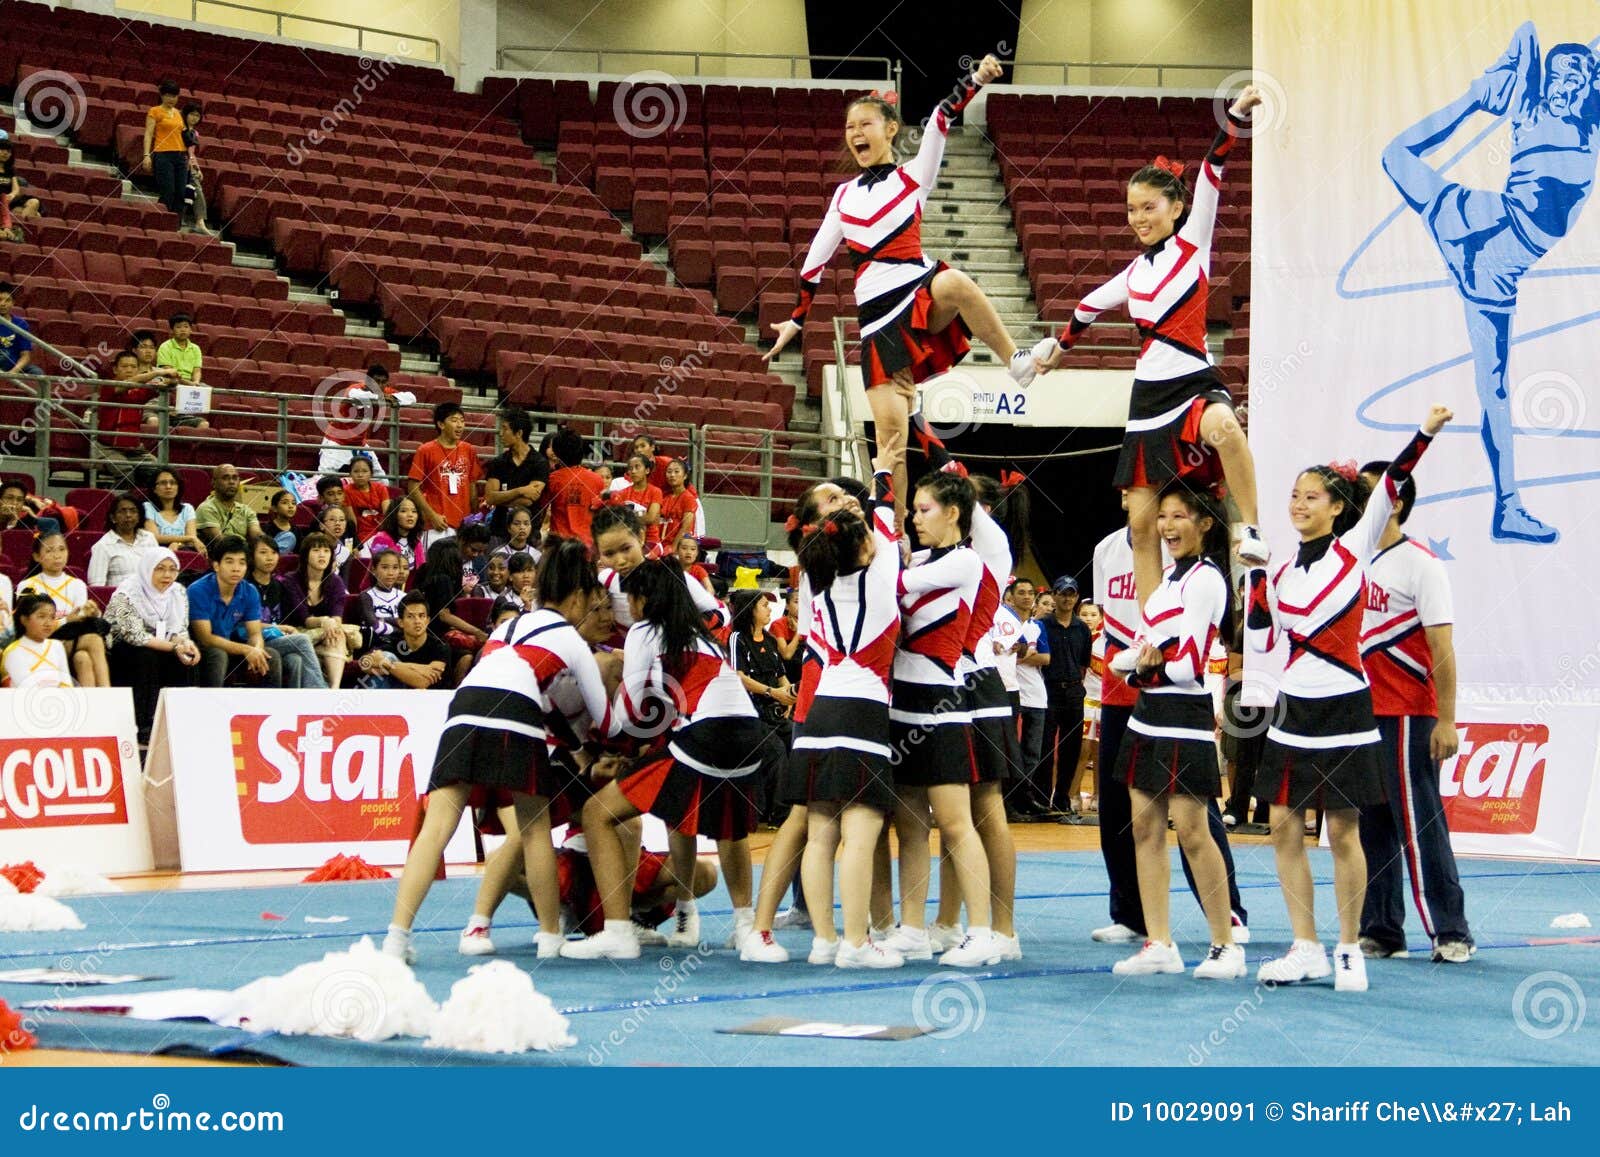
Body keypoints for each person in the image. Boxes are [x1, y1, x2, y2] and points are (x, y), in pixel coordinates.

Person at [765, 56, 1050, 527]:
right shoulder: (843, 196)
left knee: (955, 282)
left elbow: (940, 119)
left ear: (891, 128)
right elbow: (815, 260)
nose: (855, 132)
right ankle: (893, 535)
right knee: (891, 443)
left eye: (866, 123)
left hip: (918, 291)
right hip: (877, 321)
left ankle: (1015, 360)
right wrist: (797, 319)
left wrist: (975, 80)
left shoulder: (914, 176)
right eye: (849, 126)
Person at [1245, 403, 1452, 992]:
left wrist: (1426, 431)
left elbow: (1391, 484)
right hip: (1293, 708)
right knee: (1283, 827)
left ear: (1338, 507)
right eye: (1294, 495)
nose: (1298, 504)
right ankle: (1304, 945)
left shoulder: (1355, 549)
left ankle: (1347, 951)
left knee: (1342, 832)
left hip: (1345, 705)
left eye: (1312, 496)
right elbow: (1261, 632)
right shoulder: (1281, 570)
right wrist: (1255, 575)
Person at [1037, 85, 1270, 569]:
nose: (1138, 218)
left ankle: (1248, 528)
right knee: (1141, 525)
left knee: (1225, 426)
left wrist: (1234, 116)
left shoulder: (1193, 244)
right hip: (1148, 394)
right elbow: (1086, 307)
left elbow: (1212, 172)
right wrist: (1060, 348)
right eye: (1131, 209)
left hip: (1193, 382)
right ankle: (1152, 627)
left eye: (1149, 208)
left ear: (1176, 208)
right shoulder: (1133, 272)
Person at [1381, 23, 1596, 543]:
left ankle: (1507, 510)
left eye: (1581, 78)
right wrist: (1482, 97)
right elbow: (1528, 36)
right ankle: (1472, 97)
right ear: (1547, 84)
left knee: (1493, 388)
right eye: (1562, 78)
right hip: (1483, 228)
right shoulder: (1532, 110)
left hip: (1491, 256)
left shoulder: (1589, 118)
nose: (1570, 87)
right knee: (1395, 155)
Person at [384, 538, 615, 965]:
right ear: (579, 596)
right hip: (515, 714)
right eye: (593, 603)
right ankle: (549, 937)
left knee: (435, 830)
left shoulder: (507, 626)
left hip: (463, 708)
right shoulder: (571, 640)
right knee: (533, 829)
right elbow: (603, 720)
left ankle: (396, 940)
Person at [561, 559, 765, 960]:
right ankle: (745, 927)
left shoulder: (644, 631)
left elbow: (630, 713)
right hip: (748, 734)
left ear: (643, 599)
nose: (624, 607)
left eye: (628, 597)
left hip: (704, 735)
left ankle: (618, 931)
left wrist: (597, 732)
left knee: (598, 813)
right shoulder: (701, 632)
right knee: (727, 827)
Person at [746, 469, 906, 968]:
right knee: (860, 832)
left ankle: (824, 940)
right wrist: (883, 474)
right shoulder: (881, 572)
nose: (850, 502)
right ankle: (856, 943)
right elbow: (885, 523)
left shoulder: (814, 578)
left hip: (819, 708)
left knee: (820, 833)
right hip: (861, 708)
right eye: (837, 499)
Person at [1091, 502, 1249, 946]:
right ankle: (1156, 942)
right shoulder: (1165, 580)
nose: (1167, 526)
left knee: (1194, 830)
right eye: (1164, 517)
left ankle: (1225, 938)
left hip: (1183, 716)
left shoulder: (1205, 578)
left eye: (1179, 516)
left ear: (1204, 523)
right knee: (1144, 828)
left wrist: (1140, 670)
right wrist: (1136, 664)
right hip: (1148, 714)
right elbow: (1134, 650)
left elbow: (1188, 667)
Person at [876, 469, 1003, 967]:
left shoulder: (966, 563)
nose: (915, 519)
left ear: (954, 514)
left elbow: (893, 583)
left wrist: (884, 515)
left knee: (955, 822)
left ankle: (981, 931)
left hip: (940, 705)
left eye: (924, 510)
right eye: (912, 511)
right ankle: (911, 926)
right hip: (901, 701)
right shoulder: (923, 558)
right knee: (908, 824)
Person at [1355, 462, 1473, 963]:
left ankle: (1450, 930)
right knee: (1372, 826)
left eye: (1365, 494)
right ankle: (1382, 929)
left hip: (1406, 713)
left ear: (1395, 502)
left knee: (1420, 824)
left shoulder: (1422, 565)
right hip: (1360, 714)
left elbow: (1442, 646)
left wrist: (1446, 719)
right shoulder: (1350, 562)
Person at [105, 548, 199, 741]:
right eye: (160, 569)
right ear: (148, 568)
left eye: (173, 569)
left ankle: (177, 721)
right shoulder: (127, 592)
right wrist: (174, 648)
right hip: (123, 648)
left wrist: (187, 645)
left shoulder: (178, 592)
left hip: (161, 645)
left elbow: (179, 630)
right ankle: (144, 725)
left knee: (185, 659)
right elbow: (135, 636)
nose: (167, 575)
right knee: (145, 656)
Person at [187, 534, 281, 687]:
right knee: (218, 655)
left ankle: (267, 708)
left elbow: (255, 633)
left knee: (271, 656)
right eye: (229, 562)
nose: (236, 568)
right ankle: (211, 707)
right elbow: (205, 638)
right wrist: (246, 649)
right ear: (216, 565)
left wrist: (256, 649)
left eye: (242, 563)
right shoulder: (198, 590)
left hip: (232, 645)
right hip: (200, 649)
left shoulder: (249, 591)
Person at [19, 532, 110, 686]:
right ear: (36, 556)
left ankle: (93, 704)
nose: (57, 555)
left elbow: (80, 621)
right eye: (49, 550)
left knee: (83, 658)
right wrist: (66, 620)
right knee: (94, 640)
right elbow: (30, 628)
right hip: (42, 642)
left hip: (72, 639)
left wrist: (93, 614)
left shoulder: (77, 584)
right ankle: (107, 692)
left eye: (62, 549)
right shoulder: (27, 586)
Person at [1039, 575, 1091, 818]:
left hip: (1073, 691)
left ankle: (1062, 799)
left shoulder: (1082, 628)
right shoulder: (1042, 625)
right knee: (1045, 747)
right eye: (1063, 593)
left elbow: (1084, 662)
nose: (1067, 598)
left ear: (1077, 597)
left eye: (1072, 594)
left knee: (1071, 748)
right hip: (1048, 690)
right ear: (1054, 595)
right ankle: (1040, 798)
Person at [244, 538, 327, 689]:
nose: (269, 557)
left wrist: (285, 629)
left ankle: (293, 704)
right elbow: (242, 623)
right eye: (263, 553)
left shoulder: (279, 586)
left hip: (275, 639)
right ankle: (320, 691)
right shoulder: (245, 585)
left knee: (296, 660)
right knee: (302, 640)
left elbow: (289, 618)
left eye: (274, 553)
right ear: (251, 556)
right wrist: (281, 628)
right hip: (251, 639)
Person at [278, 531, 354, 688]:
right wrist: (324, 621)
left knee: (337, 632)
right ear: (305, 555)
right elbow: (303, 618)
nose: (322, 555)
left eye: (326, 551)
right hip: (296, 632)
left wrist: (331, 623)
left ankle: (334, 689)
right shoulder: (291, 580)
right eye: (316, 550)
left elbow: (337, 615)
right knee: (331, 629)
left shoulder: (335, 581)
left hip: (324, 634)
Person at [1006, 578, 1054, 818]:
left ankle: (1024, 797)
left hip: (1036, 695)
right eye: (1021, 592)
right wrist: (1027, 653)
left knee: (1032, 752)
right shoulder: (1003, 623)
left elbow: (1045, 658)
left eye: (1030, 592)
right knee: (1010, 751)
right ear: (1010, 597)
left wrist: (1019, 654)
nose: (1026, 597)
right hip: (1010, 693)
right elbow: (1004, 654)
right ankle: (1008, 802)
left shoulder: (1037, 626)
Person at [315, 365, 412, 476]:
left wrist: (391, 398)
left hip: (360, 444)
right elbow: (356, 395)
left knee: (381, 479)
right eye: (376, 382)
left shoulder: (386, 392)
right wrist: (381, 398)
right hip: (336, 442)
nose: (379, 385)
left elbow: (411, 397)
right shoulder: (355, 389)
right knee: (324, 479)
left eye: (383, 382)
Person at [416, 535, 487, 684]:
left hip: (421, 631)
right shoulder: (444, 579)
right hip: (436, 635)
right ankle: (456, 689)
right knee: (467, 655)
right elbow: (444, 615)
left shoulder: (423, 571)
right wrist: (477, 632)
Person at [407, 402, 481, 542]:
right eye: (454, 420)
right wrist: (431, 515)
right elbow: (413, 487)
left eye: (462, 421)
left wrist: (474, 516)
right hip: (437, 524)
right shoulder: (425, 450)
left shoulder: (469, 450)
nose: (459, 425)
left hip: (464, 525)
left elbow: (472, 486)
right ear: (441, 424)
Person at [357, 592, 448, 690]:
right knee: (386, 657)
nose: (417, 621)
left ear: (427, 620)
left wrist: (389, 665)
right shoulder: (394, 642)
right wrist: (419, 668)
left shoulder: (440, 646)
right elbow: (364, 663)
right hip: (396, 698)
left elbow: (423, 682)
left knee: (387, 659)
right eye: (410, 616)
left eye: (421, 616)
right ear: (400, 622)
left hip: (432, 700)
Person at [482, 407, 547, 540]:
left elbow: (528, 500)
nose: (500, 433)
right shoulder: (498, 462)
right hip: (499, 531)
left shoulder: (540, 462)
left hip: (529, 533)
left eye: (505, 429)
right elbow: (489, 498)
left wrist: (501, 498)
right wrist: (520, 490)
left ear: (519, 433)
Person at [544, 427, 604, 544]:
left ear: (557, 453)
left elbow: (541, 510)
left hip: (559, 545)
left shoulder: (552, 479)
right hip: (587, 544)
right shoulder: (597, 480)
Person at [88, 494, 159, 587]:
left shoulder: (149, 538)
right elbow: (96, 586)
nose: (128, 515)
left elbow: (159, 571)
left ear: (139, 517)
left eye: (133, 511)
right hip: (120, 599)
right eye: (122, 511)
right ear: (113, 518)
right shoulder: (103, 546)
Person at [3, 593, 73, 688]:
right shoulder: (14, 652)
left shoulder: (57, 646)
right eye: (41, 616)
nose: (48, 623)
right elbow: (28, 689)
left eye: (52, 617)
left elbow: (67, 683)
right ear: (24, 620)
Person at [142, 79, 189, 218]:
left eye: (174, 96)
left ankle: (176, 223)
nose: (171, 99)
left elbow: (184, 136)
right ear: (162, 96)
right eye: (168, 95)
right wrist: (146, 155)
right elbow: (149, 133)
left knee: (181, 193)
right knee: (168, 191)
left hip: (180, 155)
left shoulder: (179, 114)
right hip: (163, 154)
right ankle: (160, 219)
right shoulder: (154, 111)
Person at [1075, 600, 1104, 814]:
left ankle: (1098, 794)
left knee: (1099, 752)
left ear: (1101, 618)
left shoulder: (1106, 641)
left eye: (1093, 614)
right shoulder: (1078, 638)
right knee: (1082, 749)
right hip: (1086, 701)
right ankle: (1072, 793)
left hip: (1105, 704)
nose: (1088, 618)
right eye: (1084, 614)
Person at [350, 548, 406, 656]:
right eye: (385, 567)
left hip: (401, 645)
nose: (390, 573)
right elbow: (374, 625)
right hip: (376, 646)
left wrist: (382, 619)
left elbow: (411, 625)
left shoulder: (404, 597)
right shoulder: (366, 596)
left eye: (395, 568)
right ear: (374, 570)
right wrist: (400, 627)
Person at [194, 464, 260, 547]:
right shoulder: (206, 508)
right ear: (214, 483)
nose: (231, 482)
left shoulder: (246, 510)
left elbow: (257, 535)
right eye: (225, 478)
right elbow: (219, 541)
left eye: (235, 478)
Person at [141, 466, 202, 554]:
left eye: (173, 483)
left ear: (178, 487)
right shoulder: (147, 507)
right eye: (163, 483)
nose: (168, 486)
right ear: (154, 489)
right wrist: (189, 538)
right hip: (156, 553)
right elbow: (154, 537)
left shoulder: (187, 508)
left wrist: (177, 544)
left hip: (183, 552)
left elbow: (191, 542)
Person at [178, 102, 216, 237]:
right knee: (188, 191)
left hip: (189, 166)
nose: (194, 118)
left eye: (197, 116)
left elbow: (192, 153)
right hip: (179, 164)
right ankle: (195, 222)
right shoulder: (180, 128)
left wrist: (197, 168)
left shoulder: (195, 133)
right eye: (192, 114)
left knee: (196, 190)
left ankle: (199, 223)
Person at [363, 494, 423, 569]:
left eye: (414, 511)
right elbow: (381, 572)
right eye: (403, 511)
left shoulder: (416, 541)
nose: (410, 515)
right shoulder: (381, 539)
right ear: (394, 515)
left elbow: (421, 570)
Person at [617, 454, 665, 547]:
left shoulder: (655, 491)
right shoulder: (622, 493)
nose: (633, 471)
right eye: (630, 468)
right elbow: (619, 520)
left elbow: (651, 518)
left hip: (651, 541)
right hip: (629, 540)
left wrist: (628, 518)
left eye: (637, 467)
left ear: (647, 470)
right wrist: (642, 518)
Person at [342, 455, 390, 545]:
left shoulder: (380, 488)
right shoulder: (346, 491)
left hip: (381, 533)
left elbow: (388, 514)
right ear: (350, 474)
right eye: (356, 471)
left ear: (371, 473)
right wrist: (356, 543)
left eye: (364, 471)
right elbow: (352, 523)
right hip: (360, 536)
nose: (360, 475)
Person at [0, 281, 43, 377]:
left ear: (13, 303)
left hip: (13, 367)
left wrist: (12, 372)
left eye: (7, 300)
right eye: (0, 300)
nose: (3, 304)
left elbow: (25, 355)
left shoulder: (21, 324)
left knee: (37, 372)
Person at [0, 132, 43, 224]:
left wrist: (12, 195)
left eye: (8, 151)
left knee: (34, 203)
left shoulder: (10, 170)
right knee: (37, 215)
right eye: (2, 150)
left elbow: (16, 189)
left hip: (9, 202)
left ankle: (15, 230)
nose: (5, 153)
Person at [658, 459, 698, 548]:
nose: (672, 475)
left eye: (676, 472)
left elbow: (685, 528)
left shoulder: (689, 498)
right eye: (669, 472)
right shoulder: (664, 498)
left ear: (685, 476)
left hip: (678, 547)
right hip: (661, 546)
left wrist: (674, 548)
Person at [156, 313, 202, 385]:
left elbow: (197, 371)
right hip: (170, 382)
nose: (183, 330)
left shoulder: (196, 348)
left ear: (191, 329)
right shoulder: (165, 346)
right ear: (171, 330)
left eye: (186, 327)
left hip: (190, 383)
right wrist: (189, 384)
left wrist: (196, 382)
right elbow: (168, 372)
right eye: (178, 327)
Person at [262, 489, 301, 554]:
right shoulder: (266, 528)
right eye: (285, 503)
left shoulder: (297, 530)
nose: (291, 506)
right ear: (274, 508)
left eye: (293, 503)